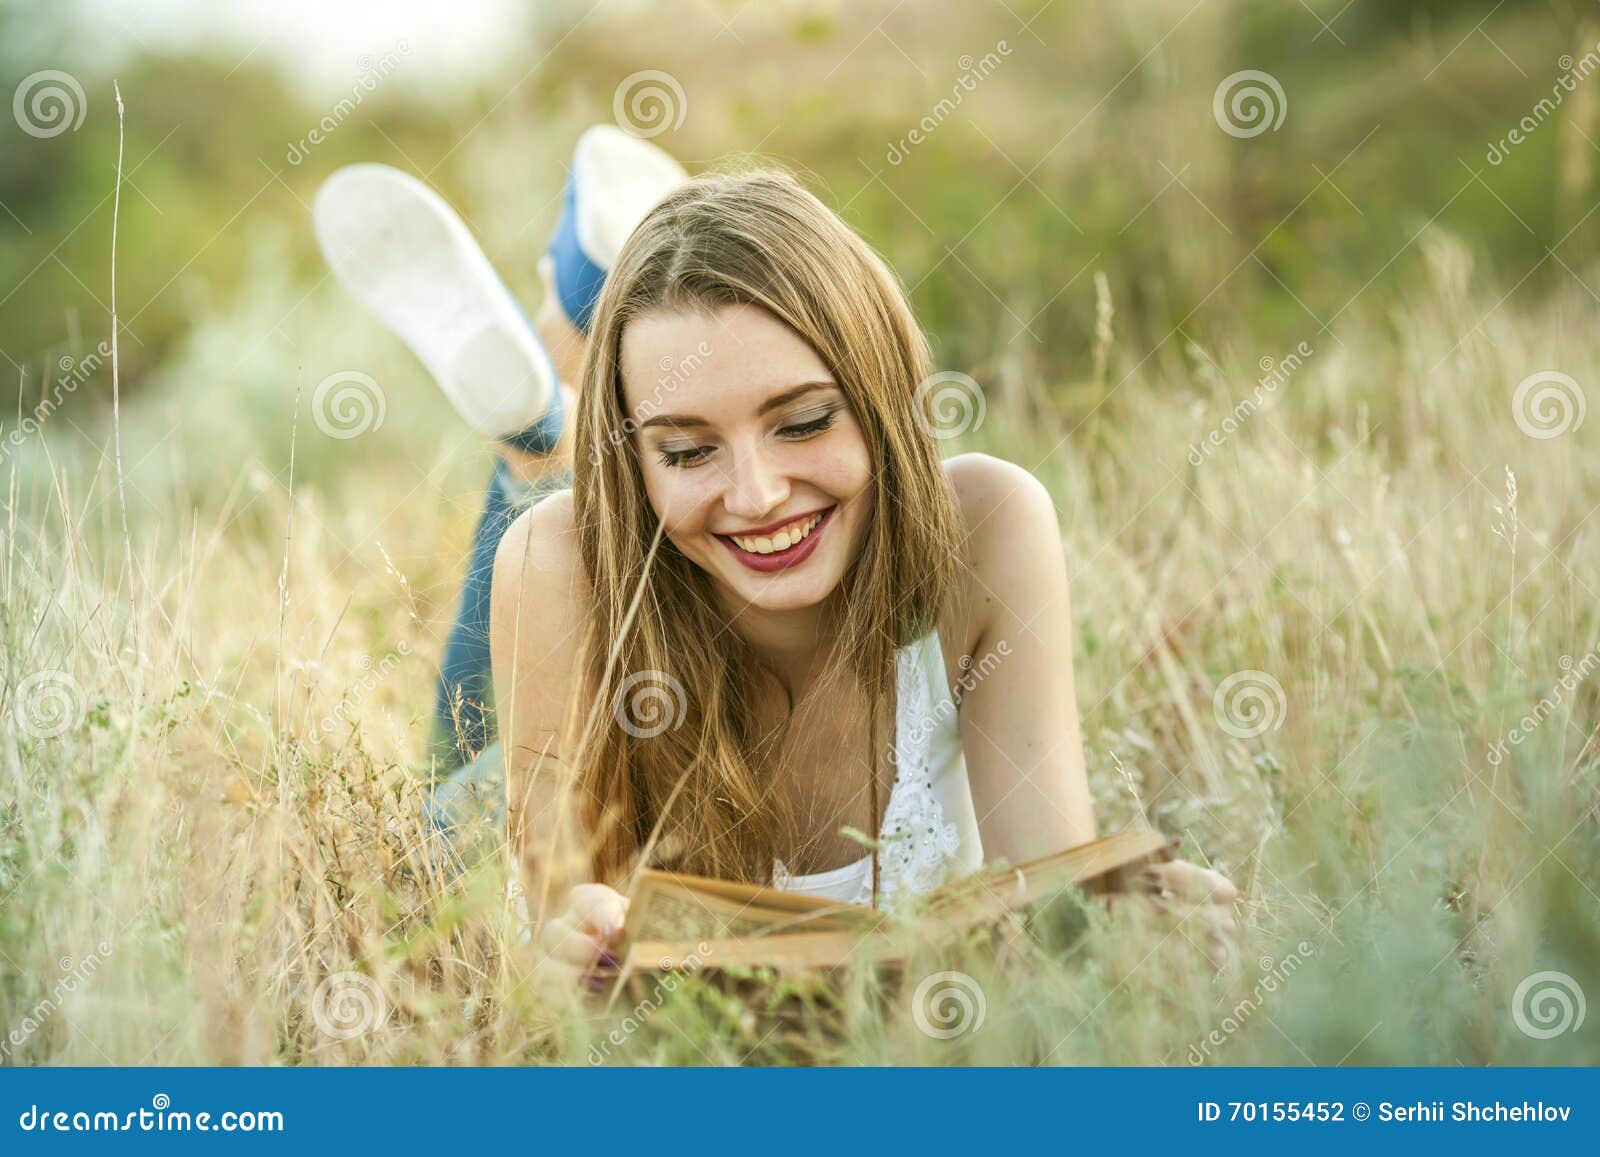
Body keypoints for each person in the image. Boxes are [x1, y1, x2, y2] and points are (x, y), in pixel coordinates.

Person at [316, 137, 1238, 981]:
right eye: (685, 450)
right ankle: (545, 443)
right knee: (458, 782)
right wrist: (570, 951)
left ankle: (559, 397)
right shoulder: (563, 563)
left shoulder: (988, 528)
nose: (757, 495)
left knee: (565, 508)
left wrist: (1129, 934)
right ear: (638, 466)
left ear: (883, 399)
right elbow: (555, 928)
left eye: (803, 423)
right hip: (498, 772)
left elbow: (1050, 895)